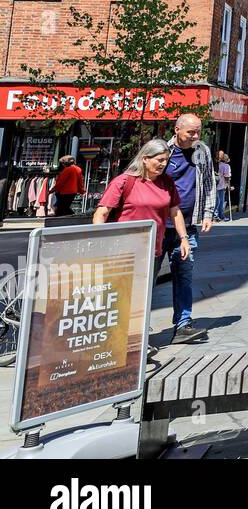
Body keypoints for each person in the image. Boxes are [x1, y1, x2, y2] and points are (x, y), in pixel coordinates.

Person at [95, 139, 186, 275]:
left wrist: (184, 238)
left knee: (147, 294)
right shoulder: (124, 181)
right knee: (122, 293)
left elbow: (175, 212)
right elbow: (101, 214)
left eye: (166, 160)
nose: (164, 164)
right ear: (145, 159)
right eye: (160, 160)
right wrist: (101, 244)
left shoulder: (167, 182)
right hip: (122, 252)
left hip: (153, 251)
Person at [163, 114, 217, 344]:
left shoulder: (201, 150)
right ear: (177, 130)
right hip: (161, 224)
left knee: (184, 274)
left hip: (187, 224)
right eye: (190, 132)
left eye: (198, 132)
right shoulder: (162, 152)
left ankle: (183, 323)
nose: (195, 136)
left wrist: (207, 213)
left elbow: (208, 182)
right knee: (148, 276)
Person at [213, 150, 232, 221]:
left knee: (217, 201)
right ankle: (219, 215)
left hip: (215, 184)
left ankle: (217, 215)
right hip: (221, 186)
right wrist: (229, 186)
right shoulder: (226, 166)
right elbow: (227, 177)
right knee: (220, 202)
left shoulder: (218, 164)